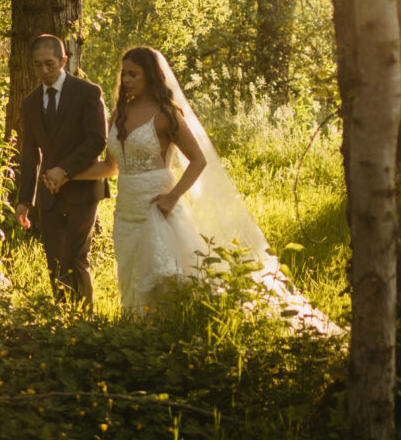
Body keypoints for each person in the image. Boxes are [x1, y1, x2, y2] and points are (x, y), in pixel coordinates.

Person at [74, 46, 337, 334]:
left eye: (133, 74)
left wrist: (172, 197)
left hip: (158, 208)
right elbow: (111, 167)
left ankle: (175, 333)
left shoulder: (166, 115)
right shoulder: (119, 114)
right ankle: (136, 332)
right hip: (126, 213)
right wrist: (68, 175)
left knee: (166, 279)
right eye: (124, 74)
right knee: (131, 274)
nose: (126, 79)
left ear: (150, 76)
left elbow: (198, 160)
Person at [12, 34, 110, 308]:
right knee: (54, 261)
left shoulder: (88, 92)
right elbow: (30, 153)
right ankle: (62, 318)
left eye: (50, 64)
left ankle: (85, 321)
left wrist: (65, 170)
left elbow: (97, 140)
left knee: (76, 257)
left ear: (64, 60)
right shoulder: (30, 102)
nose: (44, 70)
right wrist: (24, 199)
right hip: (49, 194)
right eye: (38, 65)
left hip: (83, 189)